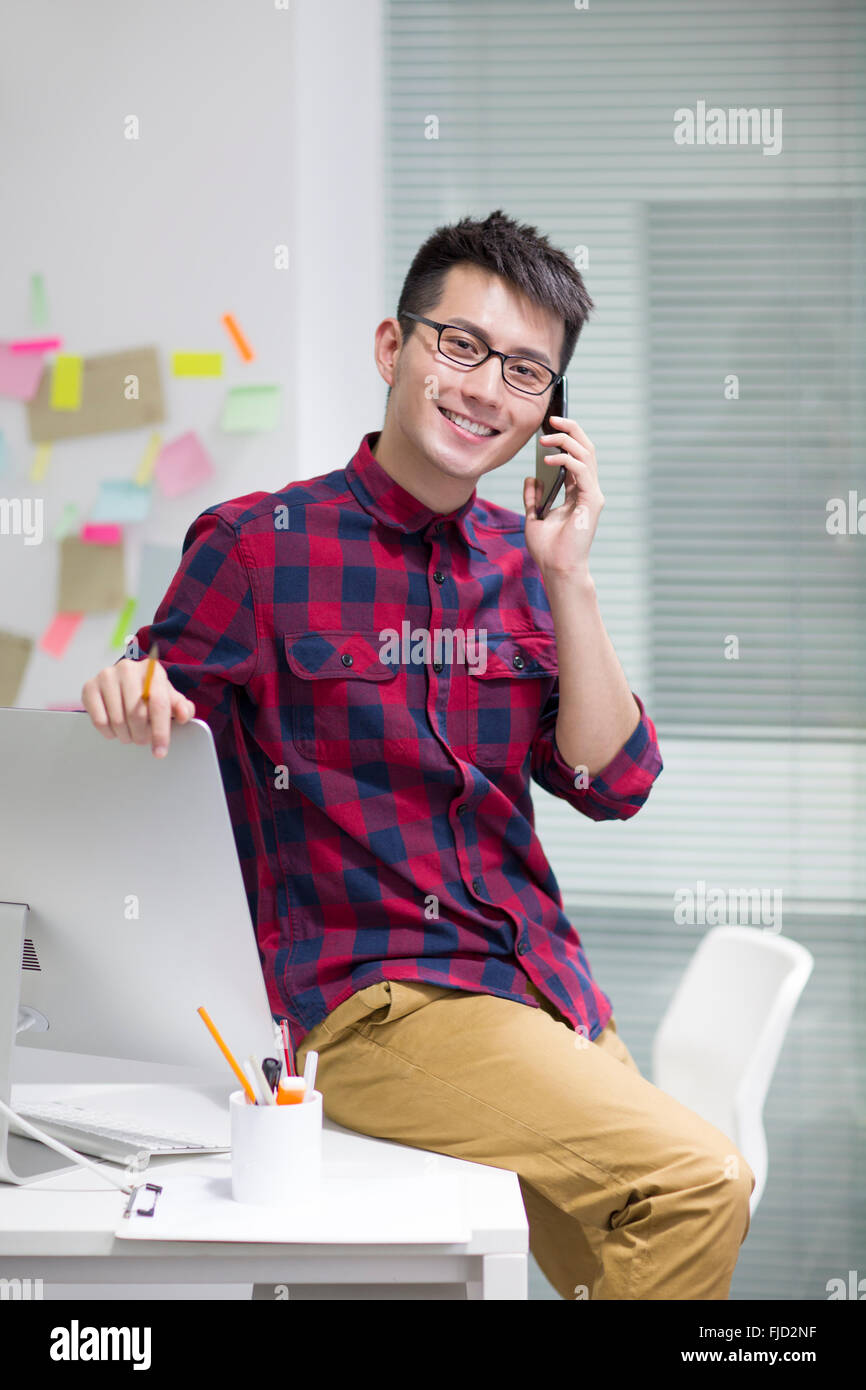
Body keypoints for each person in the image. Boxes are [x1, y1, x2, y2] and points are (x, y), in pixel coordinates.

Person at [81, 209, 754, 1298]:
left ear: (548, 413)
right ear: (394, 349)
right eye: (462, 345)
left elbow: (610, 781)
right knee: (696, 1181)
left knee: (632, 1257)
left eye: (526, 371)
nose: (487, 388)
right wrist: (129, 679)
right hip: (375, 1003)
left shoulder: (525, 565)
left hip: (545, 991)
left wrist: (568, 578)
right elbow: (146, 709)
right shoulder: (259, 547)